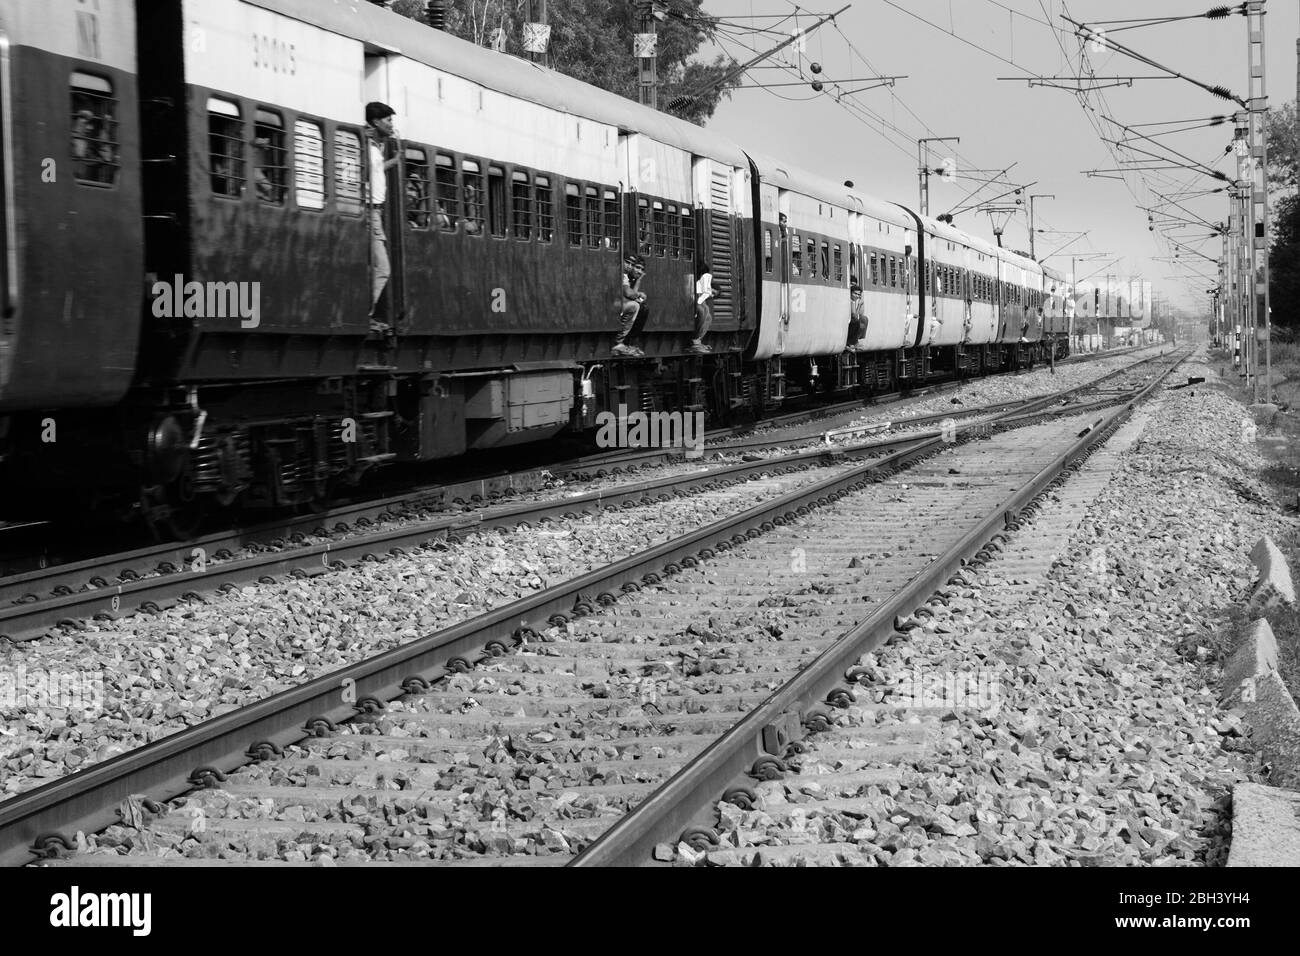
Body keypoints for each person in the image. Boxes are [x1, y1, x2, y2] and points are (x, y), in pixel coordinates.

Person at [365, 101, 401, 330]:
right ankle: (366, 314)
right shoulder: (367, 146)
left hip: (375, 213)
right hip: (370, 213)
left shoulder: (373, 147)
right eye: (388, 120)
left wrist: (394, 161)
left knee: (376, 266)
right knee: (383, 268)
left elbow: (375, 171)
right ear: (376, 121)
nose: (391, 125)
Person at [613, 255, 647, 357]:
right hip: (612, 305)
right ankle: (619, 341)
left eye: (632, 265)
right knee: (635, 306)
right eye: (628, 263)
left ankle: (628, 343)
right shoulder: (622, 274)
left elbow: (631, 295)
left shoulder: (627, 276)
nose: (630, 266)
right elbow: (629, 293)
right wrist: (638, 294)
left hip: (617, 305)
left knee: (641, 307)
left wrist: (638, 281)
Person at [690, 259, 714, 353]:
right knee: (702, 310)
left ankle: (698, 340)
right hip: (690, 303)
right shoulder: (691, 279)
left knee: (708, 315)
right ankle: (695, 340)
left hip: (696, 302)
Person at [847, 281, 866, 349]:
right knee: (856, 322)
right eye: (855, 293)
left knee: (864, 319)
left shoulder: (852, 301)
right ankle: (852, 342)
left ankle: (856, 341)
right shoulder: (850, 301)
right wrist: (859, 305)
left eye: (858, 294)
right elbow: (855, 315)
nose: (857, 296)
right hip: (848, 322)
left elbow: (856, 314)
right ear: (850, 293)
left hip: (850, 320)